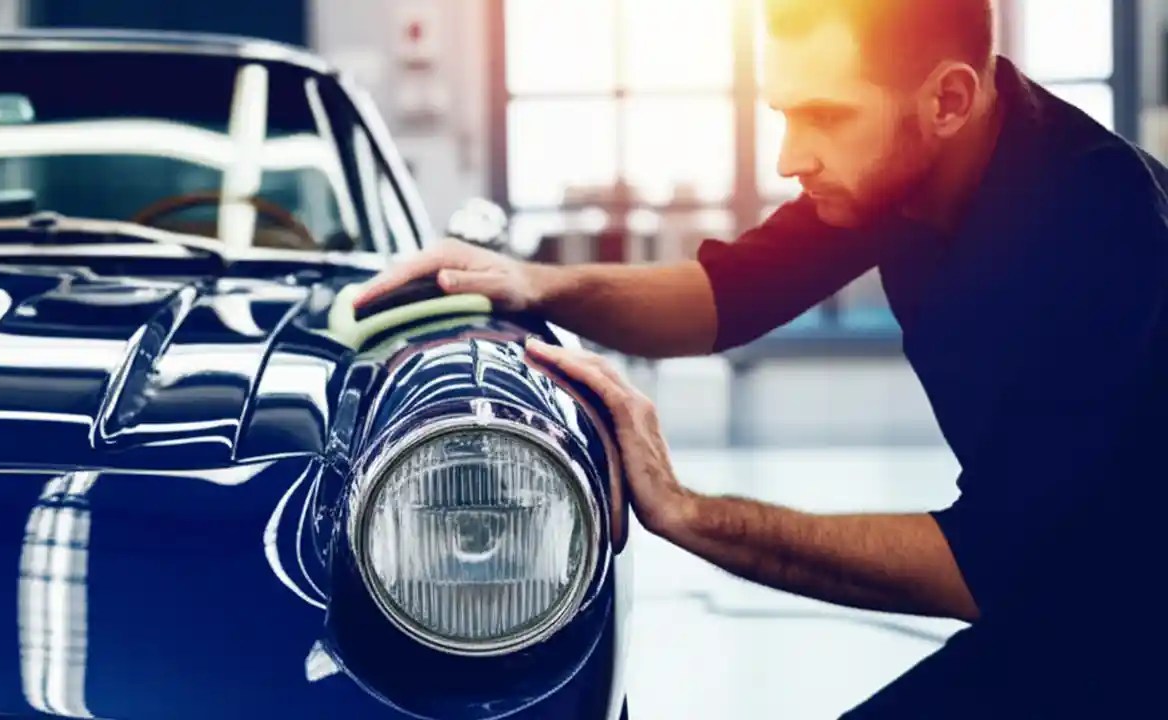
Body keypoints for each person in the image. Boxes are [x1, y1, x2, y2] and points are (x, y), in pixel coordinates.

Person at [357, 0, 1168, 715]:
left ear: (948, 99)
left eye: (823, 115)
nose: (789, 157)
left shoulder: (1101, 228)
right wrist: (533, 282)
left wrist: (687, 512)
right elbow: (725, 294)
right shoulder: (907, 168)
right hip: (1067, 604)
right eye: (784, 115)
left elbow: (980, 566)